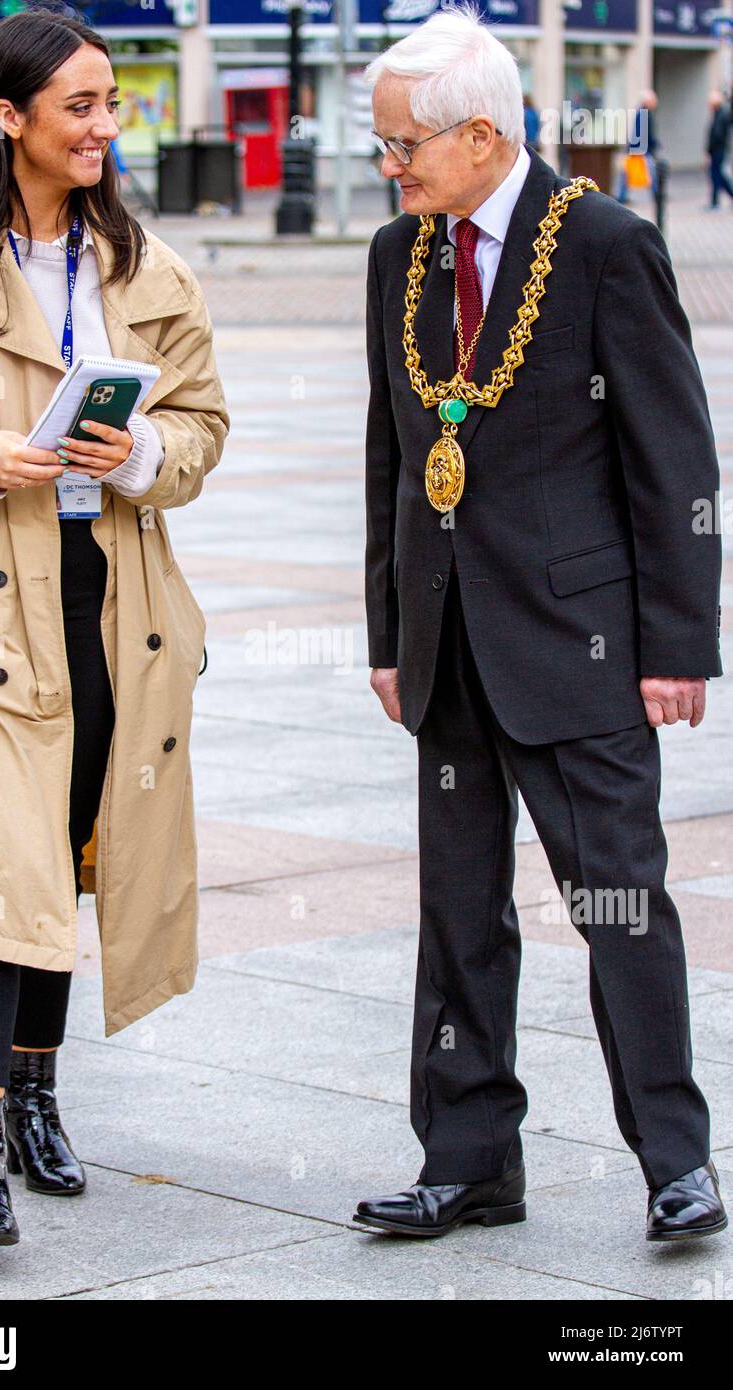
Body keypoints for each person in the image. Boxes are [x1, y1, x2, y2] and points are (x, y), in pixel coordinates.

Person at [358, 7, 726, 1243]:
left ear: (478, 133)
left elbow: (673, 452)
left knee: (618, 903)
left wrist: (679, 646)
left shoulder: (609, 245)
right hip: (447, 642)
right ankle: (467, 1157)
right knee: (457, 911)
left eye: (402, 146)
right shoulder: (393, 255)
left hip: (581, 645)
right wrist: (385, 628)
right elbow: (391, 460)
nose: (389, 168)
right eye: (380, 149)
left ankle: (675, 1160)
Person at [0, 11, 228, 1249]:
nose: (104, 128)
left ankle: (33, 1095)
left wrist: (141, 455)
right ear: (6, 117)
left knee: (65, 838)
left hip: (106, 589)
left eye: (112, 103)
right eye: (79, 105)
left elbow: (204, 433)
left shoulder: (143, 268)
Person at [705, 90, 733, 210]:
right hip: (717, 149)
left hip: (718, 150)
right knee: (716, 176)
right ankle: (715, 201)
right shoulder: (719, 113)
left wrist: (710, 149)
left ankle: (715, 202)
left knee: (717, 176)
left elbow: (717, 134)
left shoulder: (722, 113)